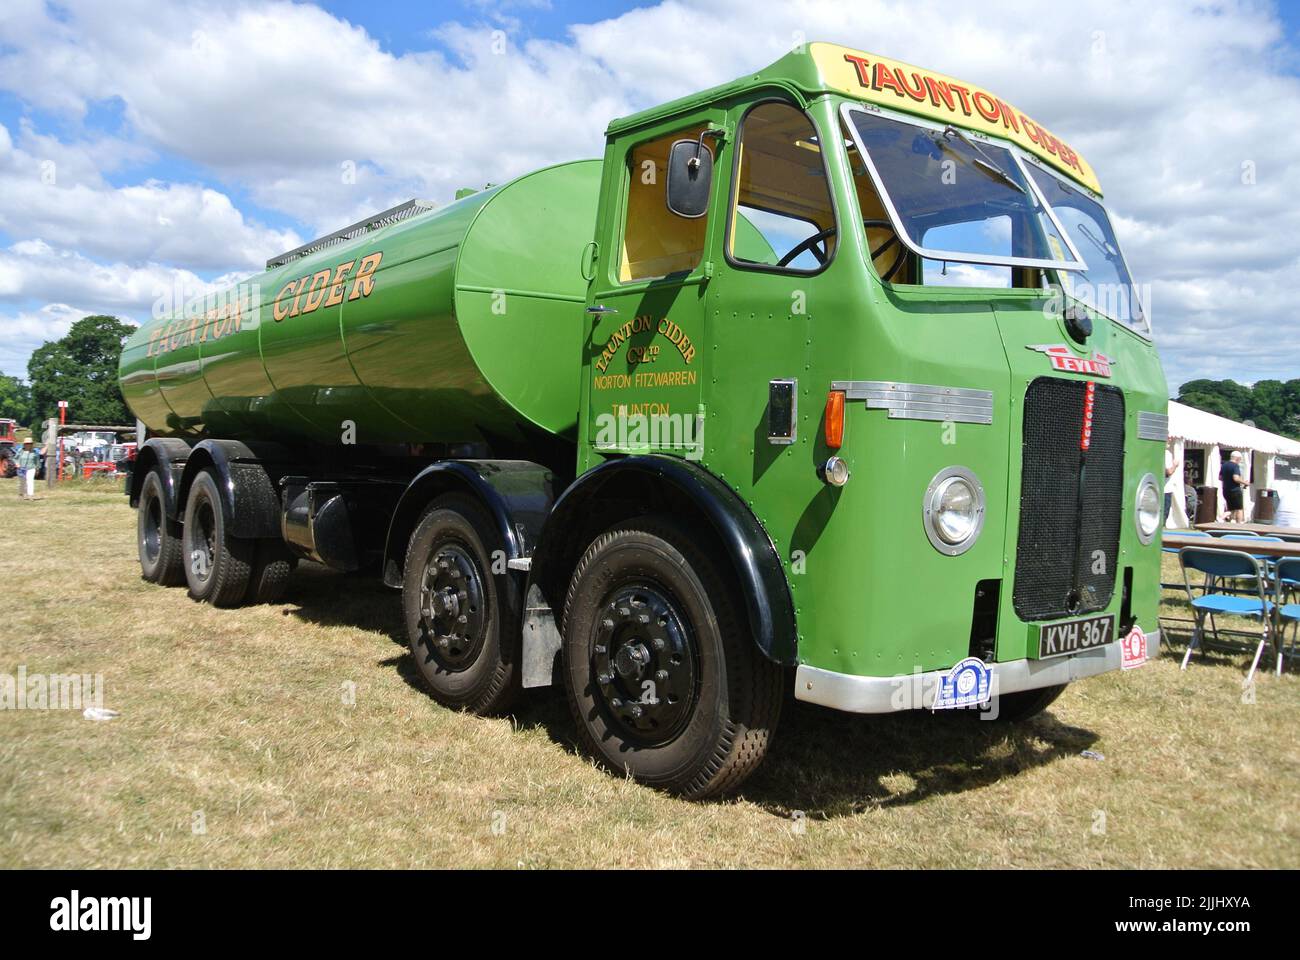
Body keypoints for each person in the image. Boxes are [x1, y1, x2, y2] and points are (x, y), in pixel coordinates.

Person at [1219, 450, 1247, 523]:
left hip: (1225, 490)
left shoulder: (1224, 465)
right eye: (1240, 459)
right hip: (1235, 490)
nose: (1239, 461)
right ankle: (1239, 524)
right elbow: (1236, 478)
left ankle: (1229, 522)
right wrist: (1245, 482)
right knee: (1239, 509)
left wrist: (1227, 480)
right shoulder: (1235, 466)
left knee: (1231, 509)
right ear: (1237, 458)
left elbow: (1220, 477)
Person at [1164, 444, 1181, 524]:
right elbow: (1168, 472)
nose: (1170, 439)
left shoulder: (1167, 453)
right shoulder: (1165, 454)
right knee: (1164, 514)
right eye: (1168, 437)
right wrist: (1175, 465)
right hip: (1165, 490)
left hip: (1166, 488)